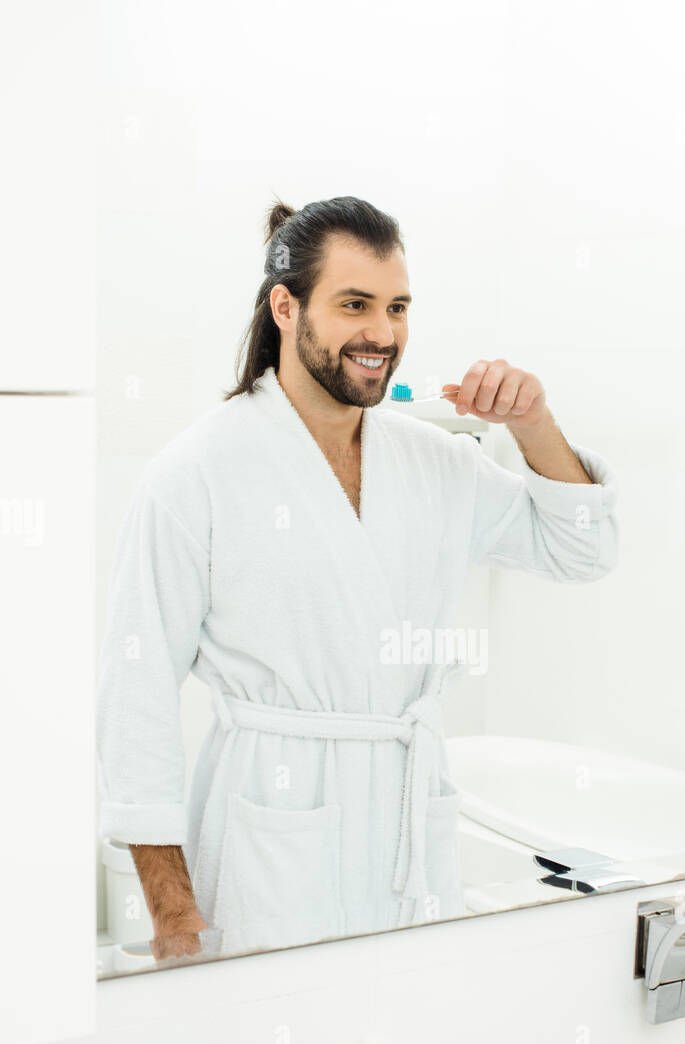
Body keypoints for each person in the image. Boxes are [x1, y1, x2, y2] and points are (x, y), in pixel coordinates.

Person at [96, 195, 619, 961]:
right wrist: (175, 920)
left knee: (401, 1040)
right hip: (268, 824)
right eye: (354, 305)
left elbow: (582, 551)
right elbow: (135, 700)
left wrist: (532, 422)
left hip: (408, 816)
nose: (382, 333)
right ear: (285, 306)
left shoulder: (435, 463)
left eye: (397, 307)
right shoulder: (197, 473)